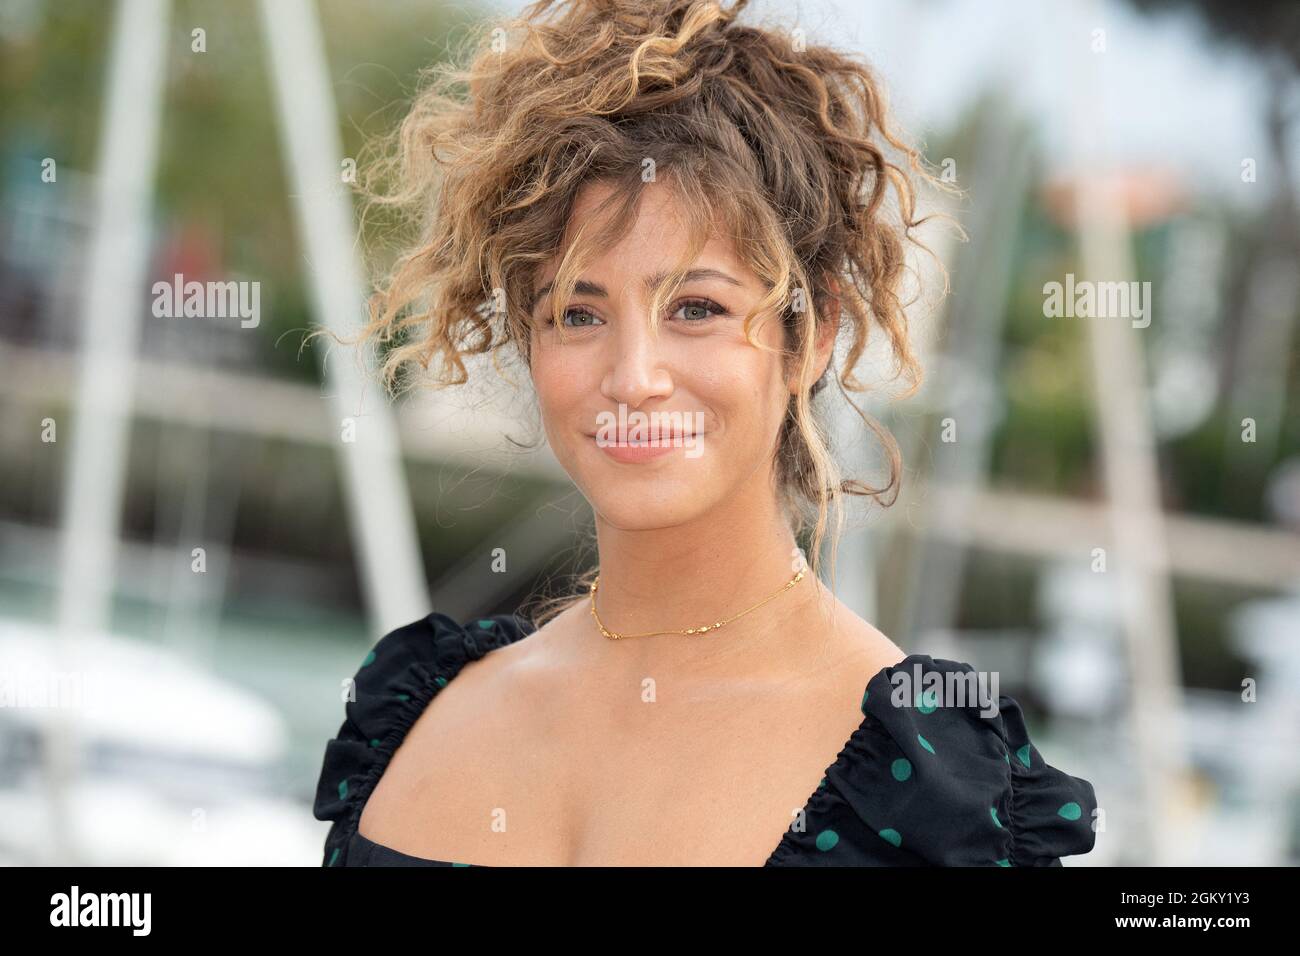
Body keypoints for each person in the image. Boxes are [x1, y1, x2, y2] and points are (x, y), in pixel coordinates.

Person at [313, 0, 1097, 866]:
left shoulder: (937, 798)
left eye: (697, 308)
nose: (634, 377)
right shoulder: (414, 715)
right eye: (579, 312)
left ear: (814, 330)